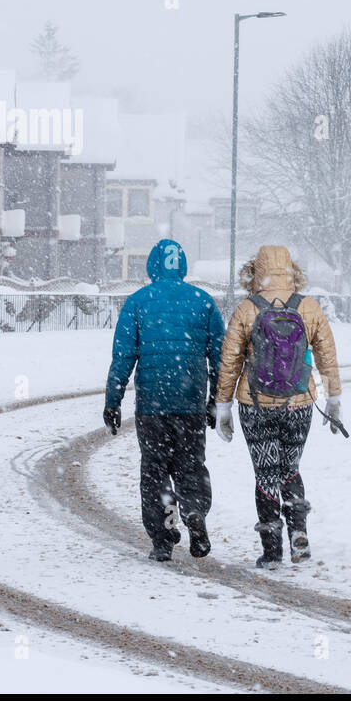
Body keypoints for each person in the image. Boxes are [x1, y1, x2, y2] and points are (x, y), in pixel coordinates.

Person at [213, 245, 342, 568]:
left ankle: (272, 551)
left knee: (265, 474)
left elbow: (229, 362)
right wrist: (334, 399)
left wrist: (223, 406)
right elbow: (327, 358)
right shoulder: (308, 307)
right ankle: (299, 534)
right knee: (290, 469)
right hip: (299, 403)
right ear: (292, 270)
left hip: (255, 405)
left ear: (254, 272)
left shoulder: (247, 309)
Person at [104, 238, 225, 562]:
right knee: (190, 466)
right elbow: (220, 357)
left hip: (152, 405)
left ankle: (165, 534)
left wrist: (112, 401)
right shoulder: (203, 301)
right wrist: (217, 399)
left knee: (156, 472)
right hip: (190, 402)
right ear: (182, 264)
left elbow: (123, 356)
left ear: (152, 266)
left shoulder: (138, 302)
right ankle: (195, 513)